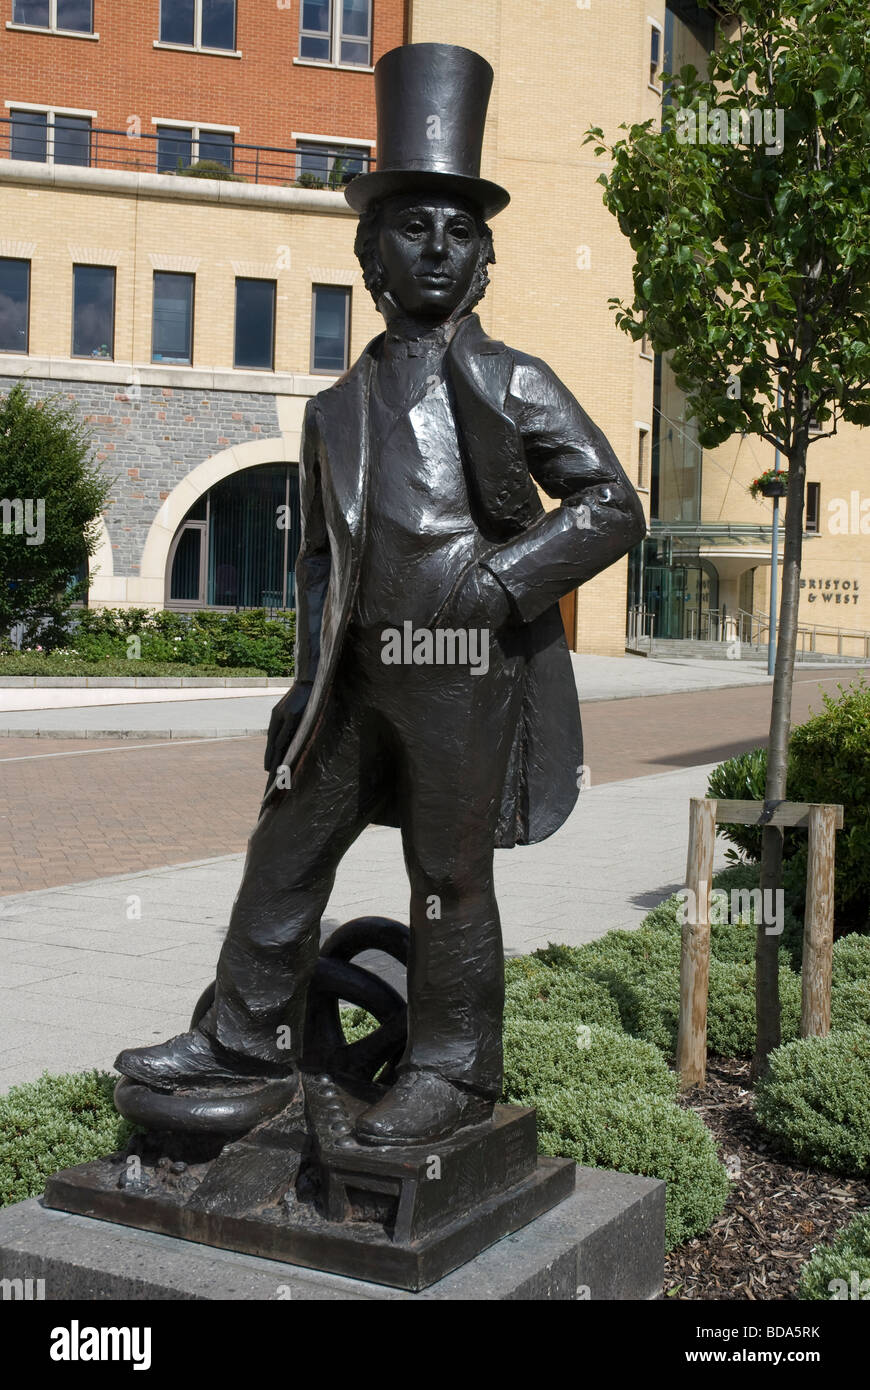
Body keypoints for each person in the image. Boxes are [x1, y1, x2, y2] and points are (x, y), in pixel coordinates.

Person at [115, 43, 646, 1147]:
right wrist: (305, 684)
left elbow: (610, 503)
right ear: (370, 254)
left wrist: (502, 582)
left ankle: (452, 1069)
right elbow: (317, 563)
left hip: (462, 668)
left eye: (461, 230)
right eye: (414, 225)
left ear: (486, 262)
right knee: (287, 839)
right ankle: (241, 1034)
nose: (438, 247)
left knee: (445, 870)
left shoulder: (514, 381)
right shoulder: (334, 410)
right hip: (356, 675)